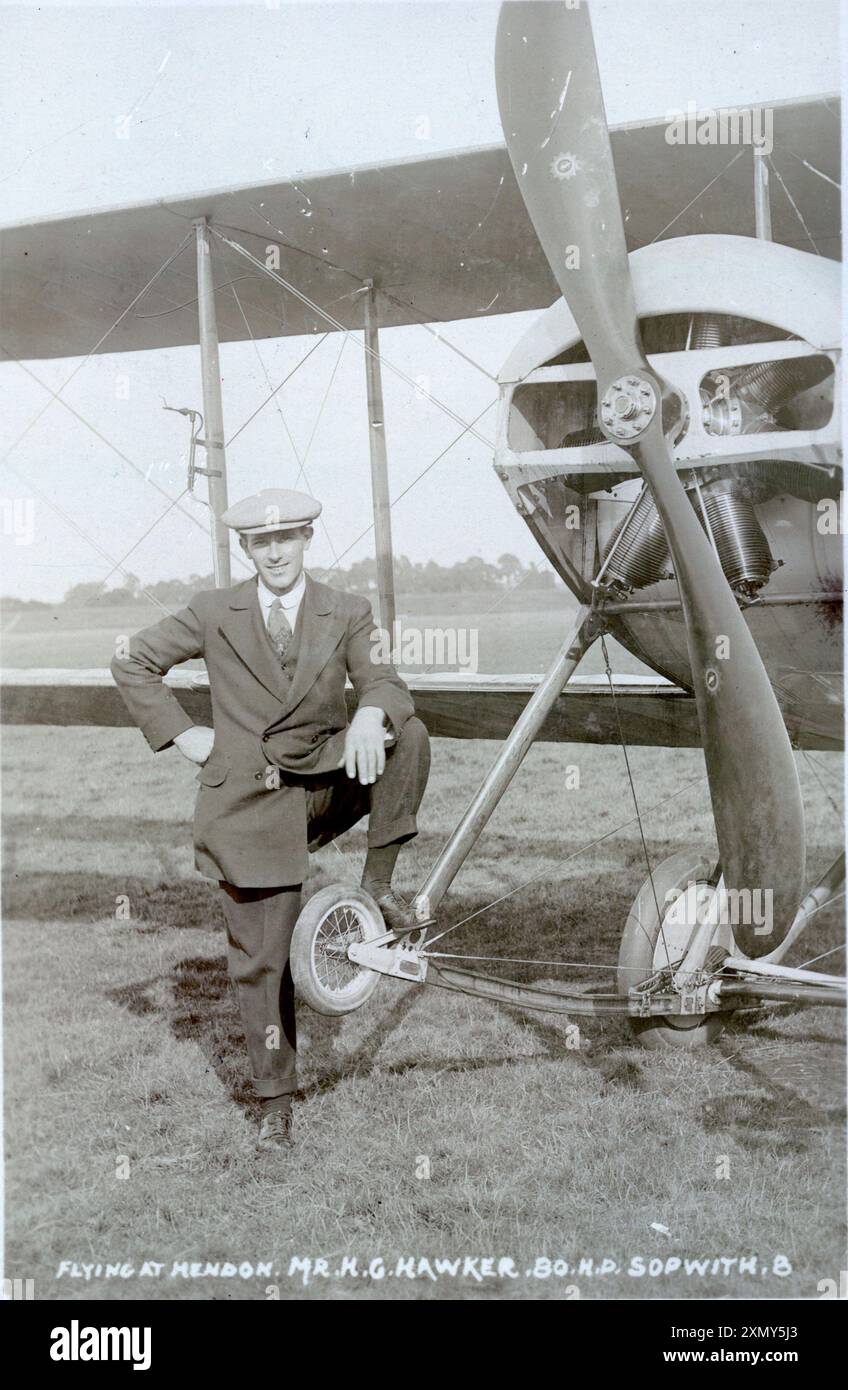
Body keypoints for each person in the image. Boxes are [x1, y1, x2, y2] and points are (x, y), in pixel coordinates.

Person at [111, 488, 430, 1151]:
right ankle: (276, 1102)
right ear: (246, 548)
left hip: (323, 784)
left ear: (308, 538)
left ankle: (376, 891)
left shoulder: (343, 610)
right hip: (251, 802)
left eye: (288, 538)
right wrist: (183, 735)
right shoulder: (212, 611)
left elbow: (386, 679)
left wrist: (371, 710)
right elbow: (133, 661)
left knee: (412, 731)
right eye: (261, 542)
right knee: (262, 961)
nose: (276, 551)